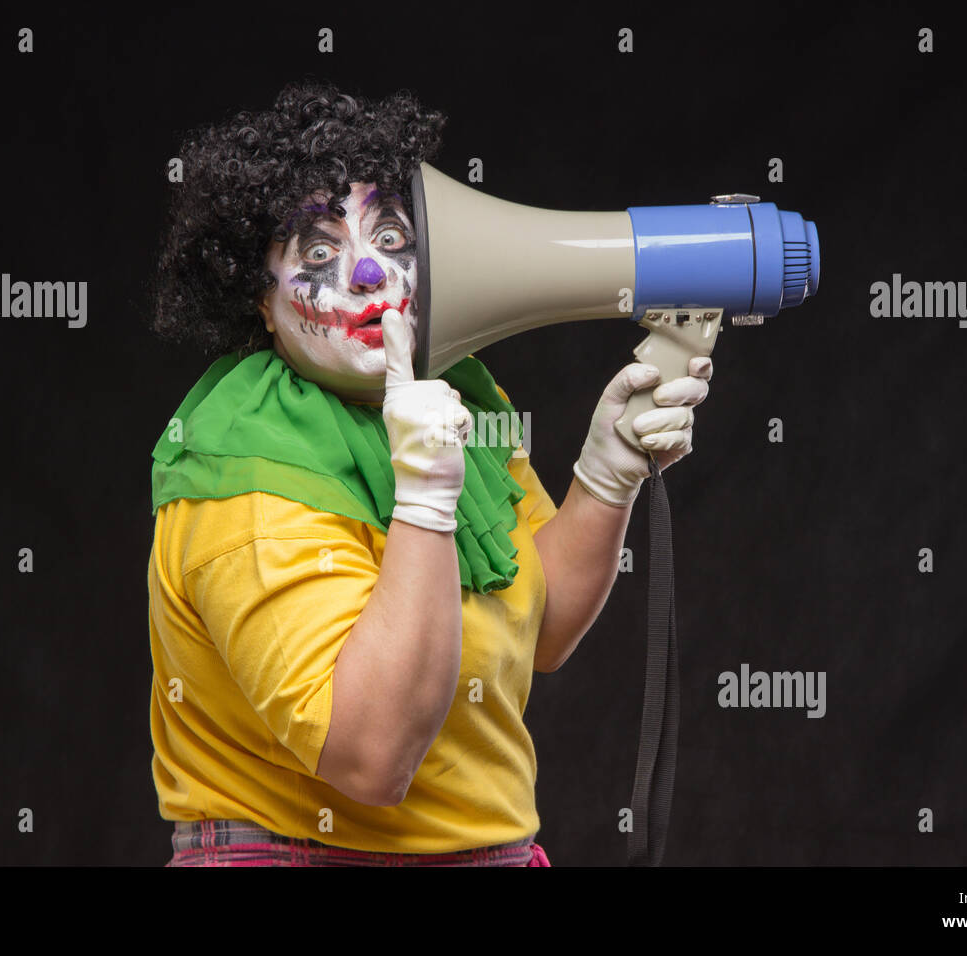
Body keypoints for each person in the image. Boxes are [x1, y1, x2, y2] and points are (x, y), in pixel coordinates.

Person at [145, 80, 712, 866]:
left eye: (390, 236)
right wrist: (423, 499)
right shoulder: (244, 463)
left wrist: (606, 473)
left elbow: (541, 631)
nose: (368, 273)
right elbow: (373, 757)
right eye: (318, 252)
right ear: (260, 299)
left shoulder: (460, 398)